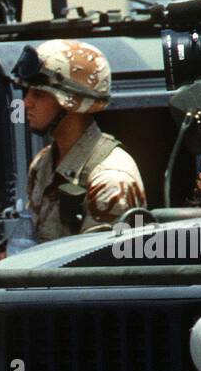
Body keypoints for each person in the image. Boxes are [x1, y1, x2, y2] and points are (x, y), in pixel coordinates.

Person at [13, 40, 146, 242]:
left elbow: (99, 259)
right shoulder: (43, 163)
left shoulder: (110, 178)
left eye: (38, 94)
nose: (26, 103)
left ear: (71, 103)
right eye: (27, 92)